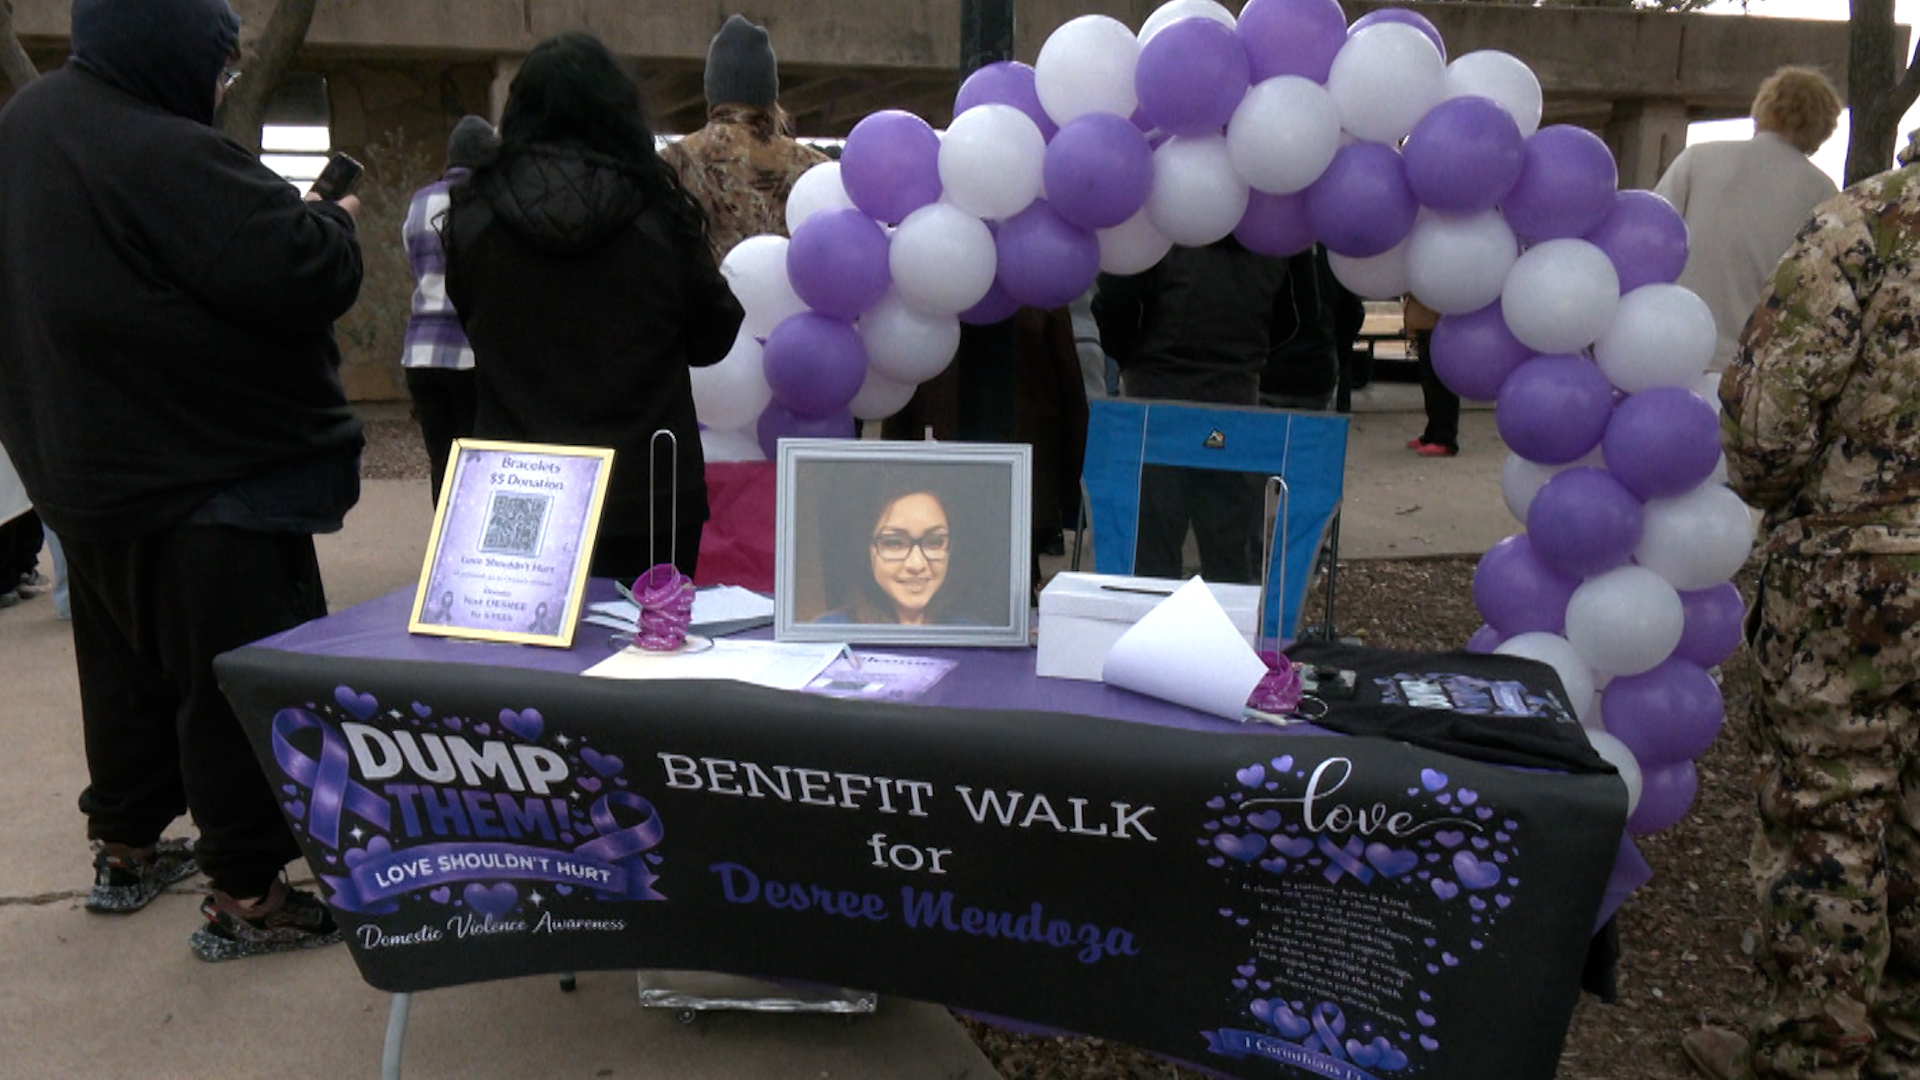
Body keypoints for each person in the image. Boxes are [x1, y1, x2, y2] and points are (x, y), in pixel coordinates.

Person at [0, 0, 363, 959]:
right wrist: (332, 225)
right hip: (207, 474)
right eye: (218, 64)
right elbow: (298, 269)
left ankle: (125, 847)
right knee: (232, 687)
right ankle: (247, 894)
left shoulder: (26, 128)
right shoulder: (164, 151)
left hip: (79, 470)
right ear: (168, 45)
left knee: (122, 673)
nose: (218, 84)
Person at [1682, 158, 1920, 1080]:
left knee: (1829, 823)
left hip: (1862, 583)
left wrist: (1794, 498)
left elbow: (1768, 421)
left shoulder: (1869, 224)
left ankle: (1809, 1060)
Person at [444, 32, 745, 583]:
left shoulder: (472, 218)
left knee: (521, 635)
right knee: (649, 634)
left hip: (518, 482)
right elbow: (715, 333)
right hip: (647, 488)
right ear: (621, 113)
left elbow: (473, 324)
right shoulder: (659, 213)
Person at [1093, 237, 1290, 583]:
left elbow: (1116, 300)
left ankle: (1157, 616)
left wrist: (1130, 356)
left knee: (1153, 546)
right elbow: (1293, 321)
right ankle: (1229, 617)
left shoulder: (1159, 230)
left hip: (1158, 394)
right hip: (1235, 394)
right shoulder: (1265, 234)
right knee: (1232, 549)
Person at [1655, 66, 1843, 374]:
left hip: (1668, 343)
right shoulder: (1822, 192)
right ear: (1823, 127)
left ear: (1764, 105)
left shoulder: (1699, 159)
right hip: (1749, 367)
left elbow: (1651, 237)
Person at [662, 13, 829, 266]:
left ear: (712, 89)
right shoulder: (814, 169)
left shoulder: (672, 164)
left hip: (701, 292)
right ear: (770, 91)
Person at [402, 114, 498, 507]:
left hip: (421, 353)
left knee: (442, 463)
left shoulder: (420, 201)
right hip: (470, 353)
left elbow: (413, 261)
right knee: (479, 463)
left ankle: (443, 536)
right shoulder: (489, 201)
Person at [817, 485, 954, 625]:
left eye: (934, 542)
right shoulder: (828, 634)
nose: (917, 564)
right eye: (894, 543)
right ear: (867, 548)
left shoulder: (967, 633)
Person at [1261, 245, 1345, 413]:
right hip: (1321, 366)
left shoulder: (1272, 247)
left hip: (1274, 369)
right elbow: (1349, 312)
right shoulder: (1333, 247)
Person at [1404, 297, 1457, 457]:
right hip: (1426, 327)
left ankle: (1445, 438)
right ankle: (1432, 433)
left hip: (1437, 328)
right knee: (1430, 385)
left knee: (1440, 385)